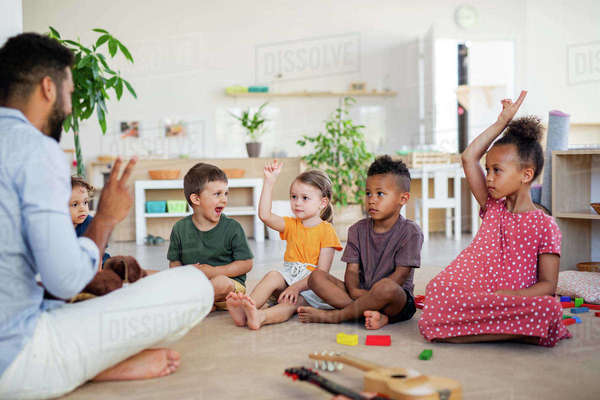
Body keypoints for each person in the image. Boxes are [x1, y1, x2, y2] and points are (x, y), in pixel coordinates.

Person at [0, 33, 213, 400]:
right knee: (194, 285)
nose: (68, 107)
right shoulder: (37, 149)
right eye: (68, 94)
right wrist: (104, 220)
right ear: (48, 89)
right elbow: (65, 281)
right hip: (16, 362)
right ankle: (95, 367)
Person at [418, 91, 571, 346]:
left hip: (516, 298)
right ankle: (519, 331)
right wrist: (502, 122)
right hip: (480, 294)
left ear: (526, 174)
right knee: (436, 291)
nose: (488, 177)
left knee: (550, 309)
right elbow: (469, 157)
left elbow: (547, 285)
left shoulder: (546, 225)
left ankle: (461, 331)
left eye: (497, 170)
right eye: (487, 169)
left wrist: (511, 294)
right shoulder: (492, 206)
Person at [295, 156, 423, 328]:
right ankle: (371, 314)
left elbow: (399, 277)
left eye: (380, 194)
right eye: (368, 193)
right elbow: (352, 272)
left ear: (403, 198)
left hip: (394, 301)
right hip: (358, 294)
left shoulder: (410, 231)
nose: (372, 199)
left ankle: (337, 316)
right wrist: (355, 291)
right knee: (316, 277)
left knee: (387, 287)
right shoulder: (357, 230)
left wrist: (370, 295)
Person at [226, 160, 342, 329]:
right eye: (293, 197)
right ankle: (247, 308)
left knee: (293, 302)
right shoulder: (291, 224)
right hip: (288, 279)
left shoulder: (327, 231)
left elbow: (321, 273)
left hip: (310, 288)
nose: (297, 202)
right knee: (273, 275)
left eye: (305, 198)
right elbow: (265, 215)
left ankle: (260, 316)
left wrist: (295, 288)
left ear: (322, 203)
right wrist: (269, 182)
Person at [167, 162, 253, 309]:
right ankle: (204, 303)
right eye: (217, 194)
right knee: (162, 280)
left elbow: (246, 263)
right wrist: (185, 273)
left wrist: (213, 272)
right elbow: (174, 263)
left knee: (221, 282)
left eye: (226, 193)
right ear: (196, 199)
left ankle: (195, 302)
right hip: (196, 285)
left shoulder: (232, 228)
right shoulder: (179, 229)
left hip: (229, 289)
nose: (224, 199)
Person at [70, 176, 110, 267]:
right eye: (75, 204)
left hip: (98, 263)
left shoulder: (91, 224)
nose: (82, 208)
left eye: (85, 202)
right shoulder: (59, 227)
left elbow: (99, 253)